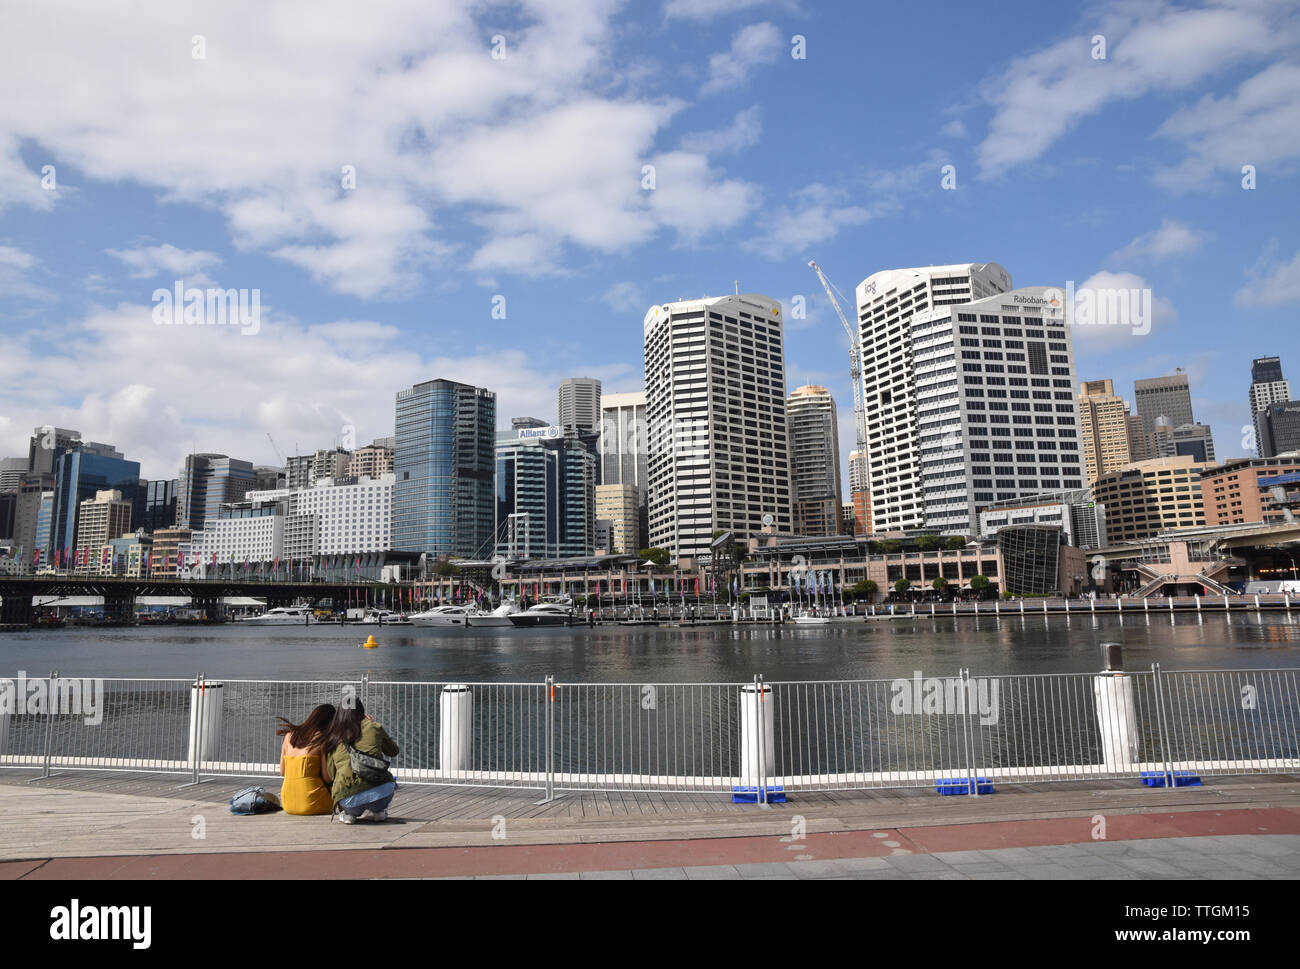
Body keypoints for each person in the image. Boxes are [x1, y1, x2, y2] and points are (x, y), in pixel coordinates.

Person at [323, 698, 399, 823]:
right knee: (387, 784)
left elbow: (331, 774)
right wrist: (374, 726)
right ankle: (379, 812)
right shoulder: (373, 727)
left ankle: (349, 815)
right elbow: (393, 751)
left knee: (347, 798)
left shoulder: (333, 736)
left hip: (349, 799)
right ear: (361, 711)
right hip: (381, 793)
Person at [275, 704, 336, 816]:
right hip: (312, 802)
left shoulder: (289, 736)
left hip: (288, 803)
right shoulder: (321, 739)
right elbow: (327, 778)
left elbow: (283, 772)